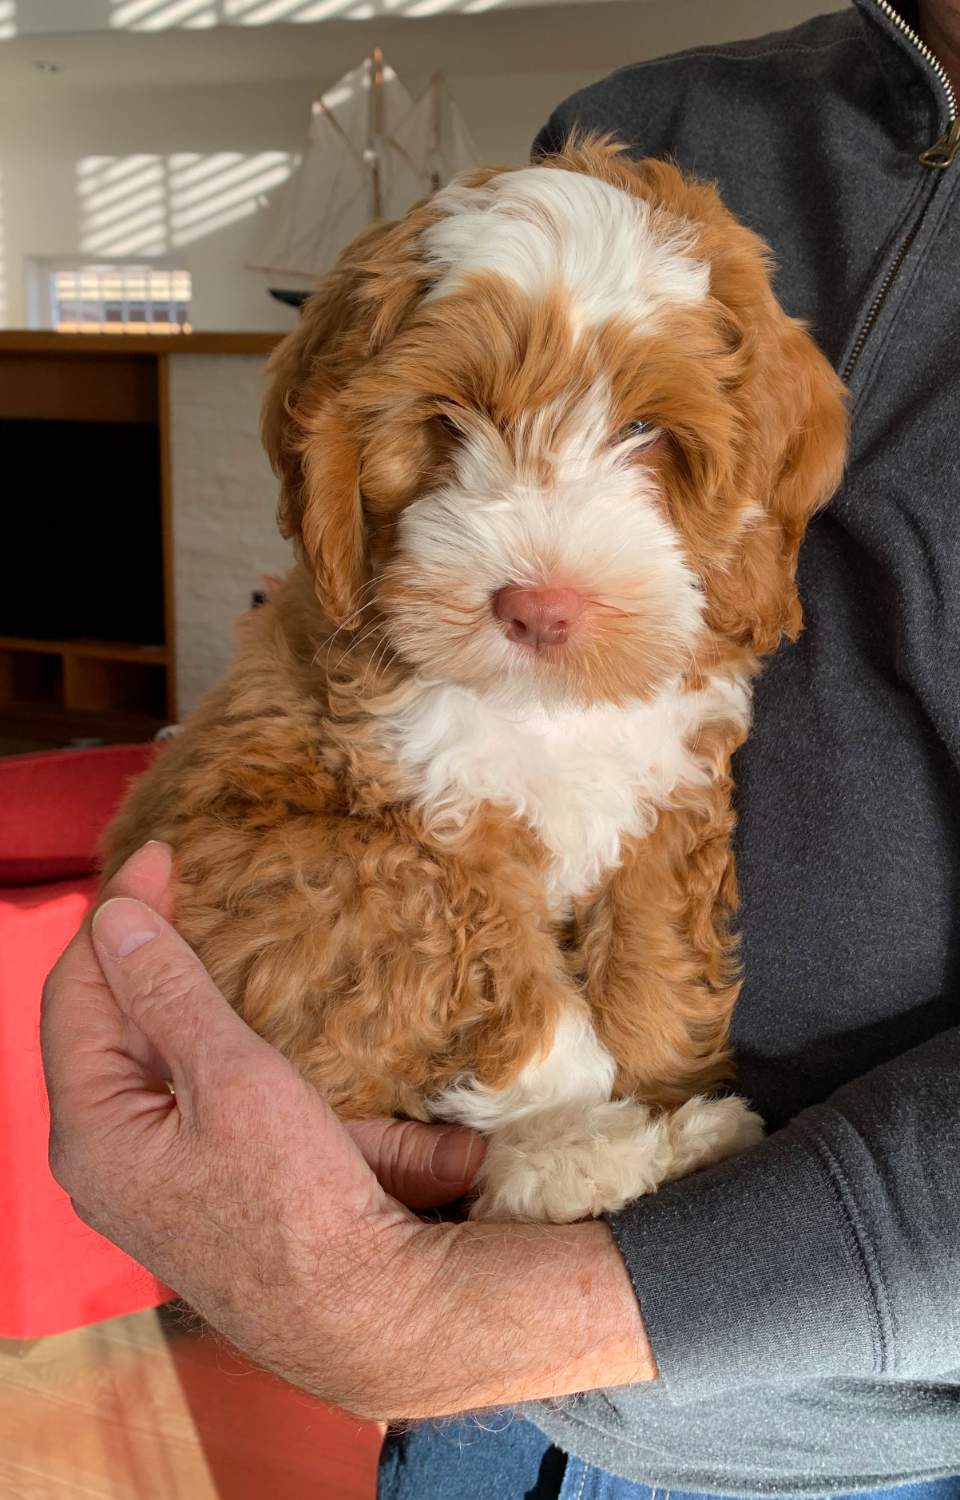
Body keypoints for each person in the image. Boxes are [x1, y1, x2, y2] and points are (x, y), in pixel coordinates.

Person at [41, 0, 960, 1495]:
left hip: (861, 1432)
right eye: (458, 430)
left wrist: (538, 1263)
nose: (544, 555)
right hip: (477, 1397)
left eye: (653, 442)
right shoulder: (657, 117)